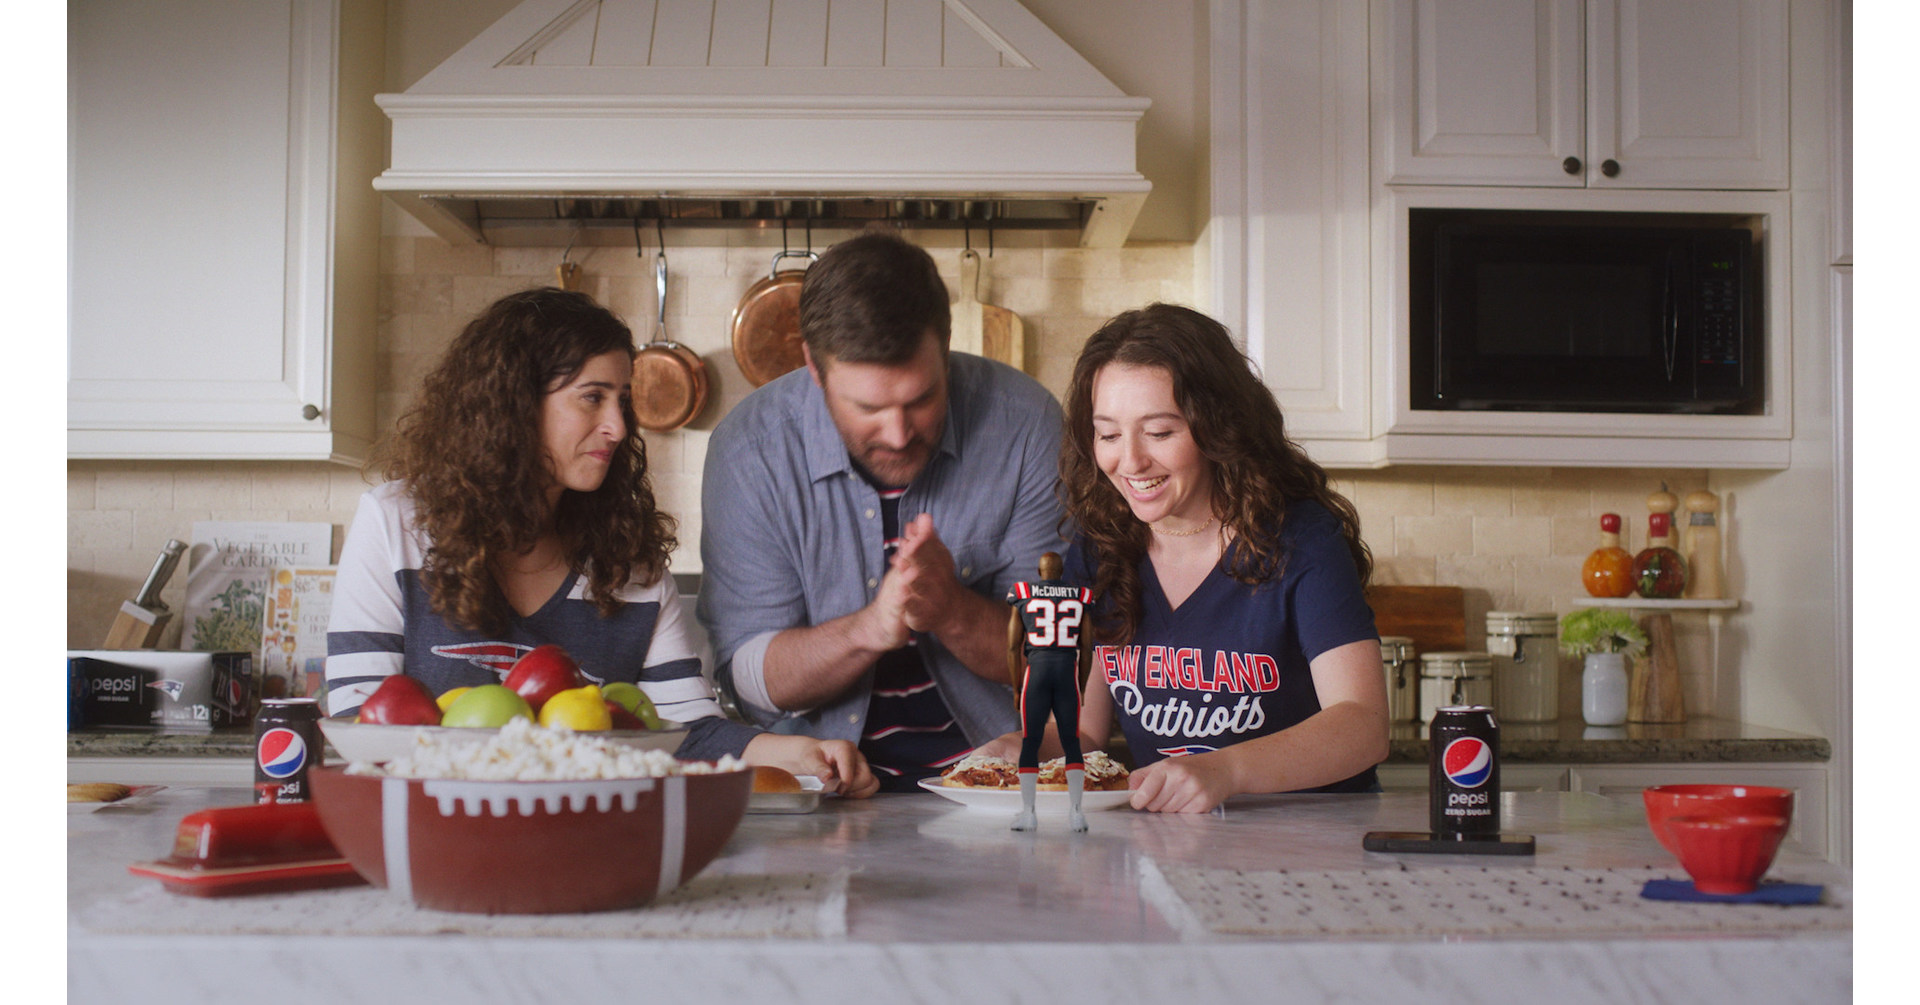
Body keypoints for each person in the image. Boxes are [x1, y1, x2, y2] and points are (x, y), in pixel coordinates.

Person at [324, 287, 877, 796]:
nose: (618, 426)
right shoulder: (396, 524)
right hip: (435, 831)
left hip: (588, 833)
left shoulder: (628, 562)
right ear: (514, 405)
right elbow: (360, 720)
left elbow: (686, 732)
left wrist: (801, 753)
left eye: (623, 400)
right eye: (592, 398)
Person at [699, 230, 1068, 791]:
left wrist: (951, 610)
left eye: (921, 399)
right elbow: (747, 680)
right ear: (814, 368)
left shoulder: (1026, 424)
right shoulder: (750, 450)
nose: (898, 435)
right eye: (869, 407)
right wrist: (869, 628)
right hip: (818, 796)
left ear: (945, 348)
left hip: (1000, 789)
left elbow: (1059, 659)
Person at [984, 303, 1388, 813]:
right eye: (1108, 434)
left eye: (1159, 432)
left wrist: (1226, 770)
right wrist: (1018, 749)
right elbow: (1083, 729)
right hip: (1171, 841)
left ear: (1218, 426)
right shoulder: (1100, 548)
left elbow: (1363, 725)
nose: (1129, 461)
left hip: (1306, 840)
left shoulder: (1301, 540)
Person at [1005, 552, 1093, 832]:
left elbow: (1012, 647)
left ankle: (1029, 813)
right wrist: (1083, 684)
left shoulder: (1023, 593)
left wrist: (1017, 688)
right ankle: (1077, 813)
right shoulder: (1080, 595)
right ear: (1061, 570)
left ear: (1039, 571)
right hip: (1067, 673)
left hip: (1038, 672)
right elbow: (1088, 648)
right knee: (1072, 743)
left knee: (1031, 743)